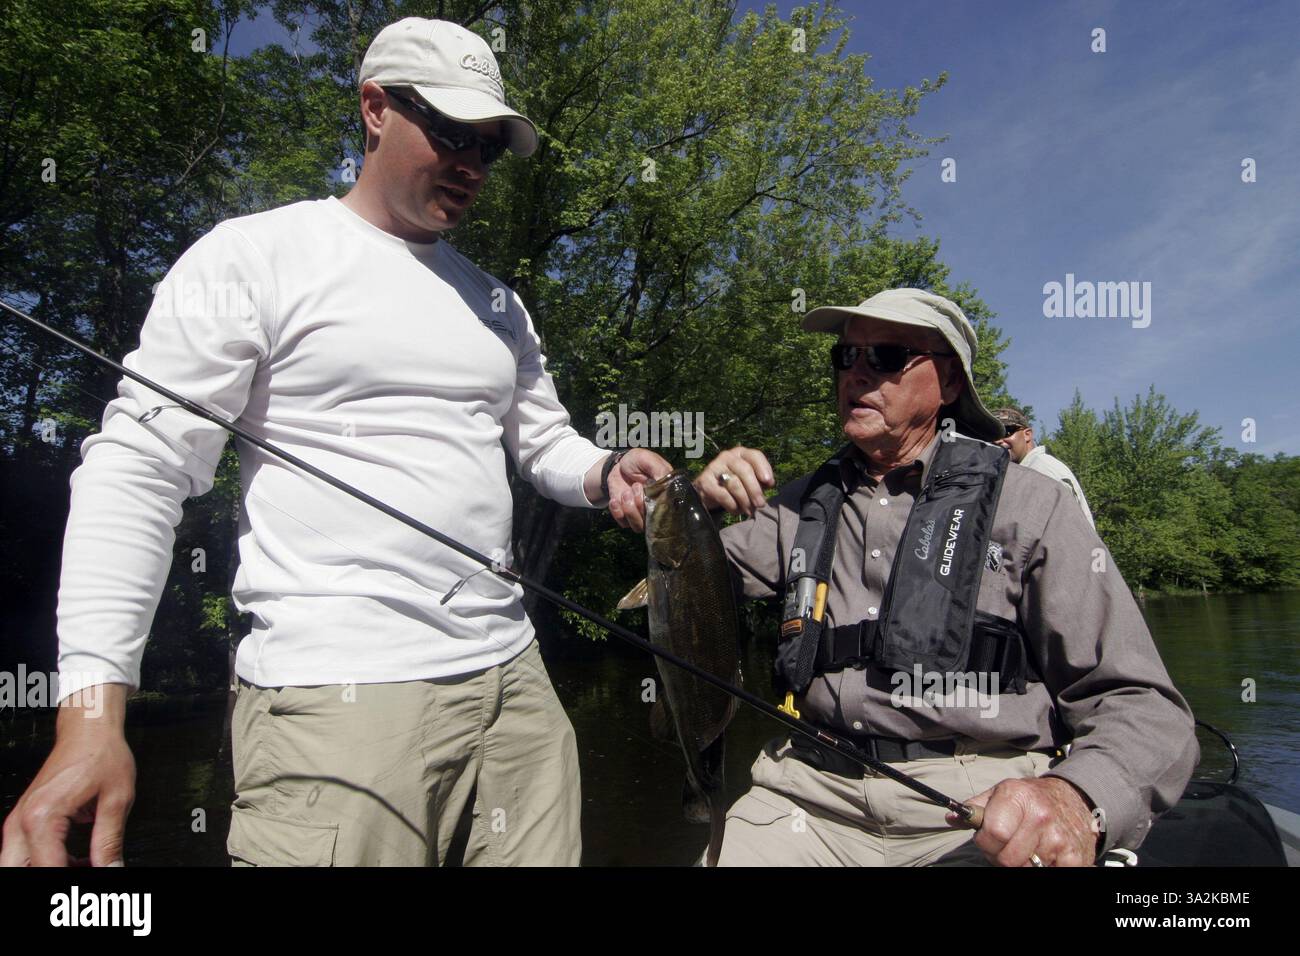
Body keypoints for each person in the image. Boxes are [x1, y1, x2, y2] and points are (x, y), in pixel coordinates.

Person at [0, 17, 670, 868]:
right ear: (375, 107)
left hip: (516, 687)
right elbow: (141, 469)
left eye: (489, 147)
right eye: (452, 132)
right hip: (338, 697)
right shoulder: (255, 256)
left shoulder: (498, 304)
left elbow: (543, 445)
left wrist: (606, 469)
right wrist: (92, 716)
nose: (471, 162)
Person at [692, 288, 1197, 866]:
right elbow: (680, 588)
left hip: (977, 804)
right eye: (846, 356)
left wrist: (1075, 796)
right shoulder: (799, 505)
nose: (857, 373)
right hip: (806, 794)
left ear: (950, 382)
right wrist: (693, 505)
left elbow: (1140, 701)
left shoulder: (1033, 505)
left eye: (885, 356)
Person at [994, 406, 1095, 527]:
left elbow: (1065, 530)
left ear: (1027, 434)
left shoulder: (1042, 471)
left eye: (1006, 432)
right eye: (993, 436)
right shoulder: (1025, 472)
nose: (998, 441)